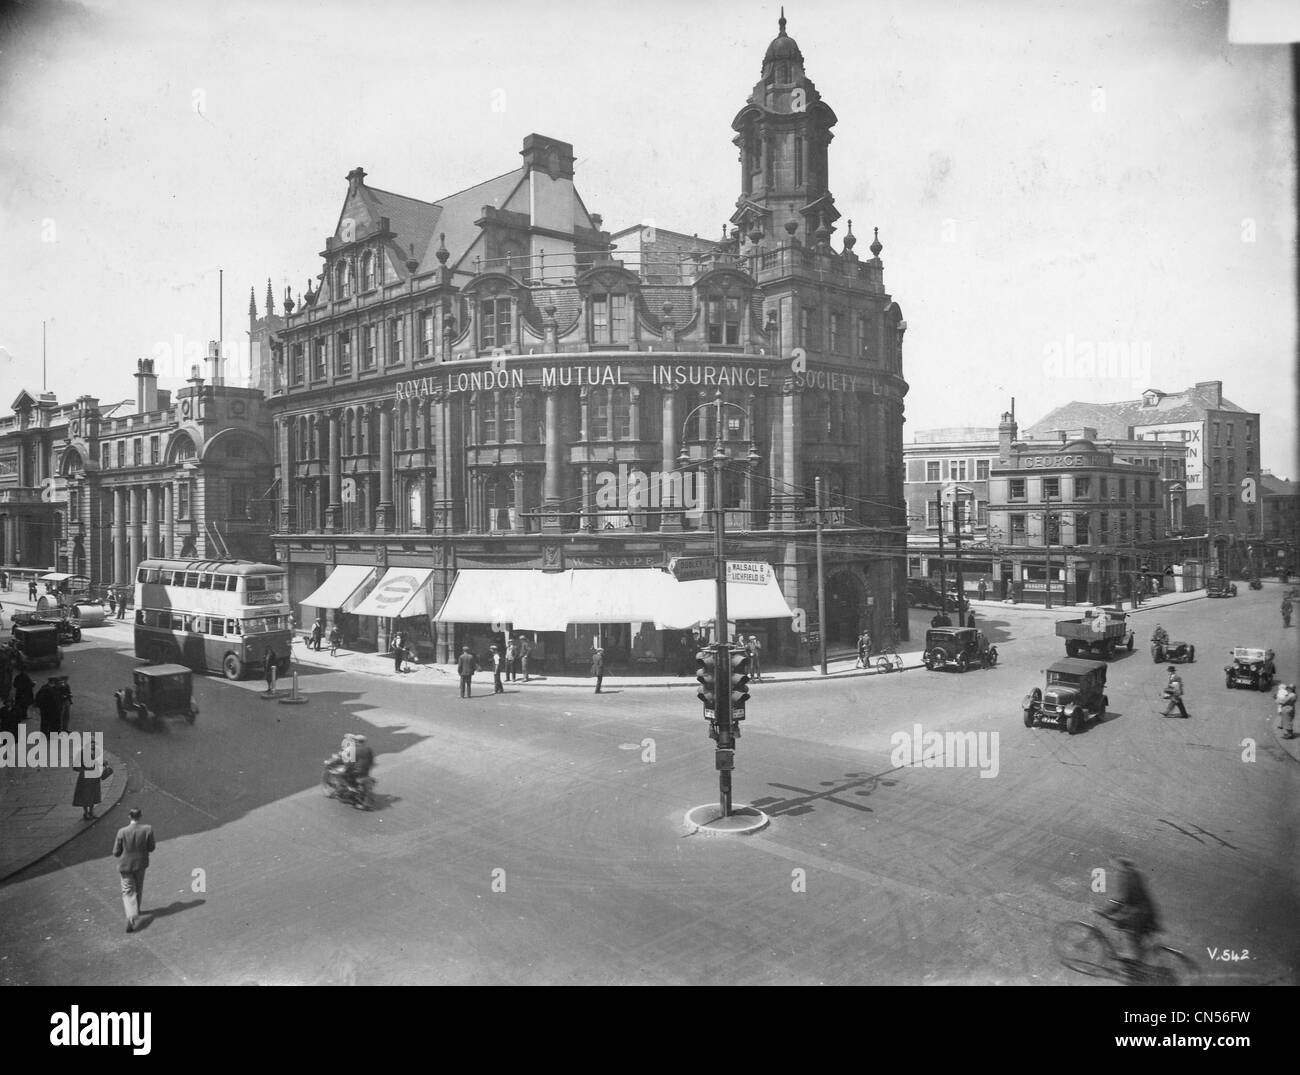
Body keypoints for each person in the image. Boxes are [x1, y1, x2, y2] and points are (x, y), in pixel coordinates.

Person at [1100, 857, 1161, 964]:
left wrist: (1107, 911)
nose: (1115, 868)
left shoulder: (1129, 876)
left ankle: (1136, 961)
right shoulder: (1133, 873)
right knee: (1122, 926)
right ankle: (1135, 957)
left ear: (1121, 865)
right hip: (1144, 910)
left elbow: (1125, 897)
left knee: (1130, 932)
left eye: (1116, 865)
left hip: (1140, 912)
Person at [112, 807, 156, 933]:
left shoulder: (122, 832)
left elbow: (116, 852)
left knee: (128, 890)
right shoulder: (148, 829)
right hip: (141, 864)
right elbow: (151, 847)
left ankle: (131, 916)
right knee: (139, 886)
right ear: (140, 816)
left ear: (129, 816)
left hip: (125, 866)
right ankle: (136, 910)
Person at [72, 739, 105, 820]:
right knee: (85, 795)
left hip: (94, 776)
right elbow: (75, 765)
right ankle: (86, 813)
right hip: (85, 778)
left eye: (94, 744)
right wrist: (83, 770)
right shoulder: (82, 753)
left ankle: (91, 811)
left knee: (93, 794)